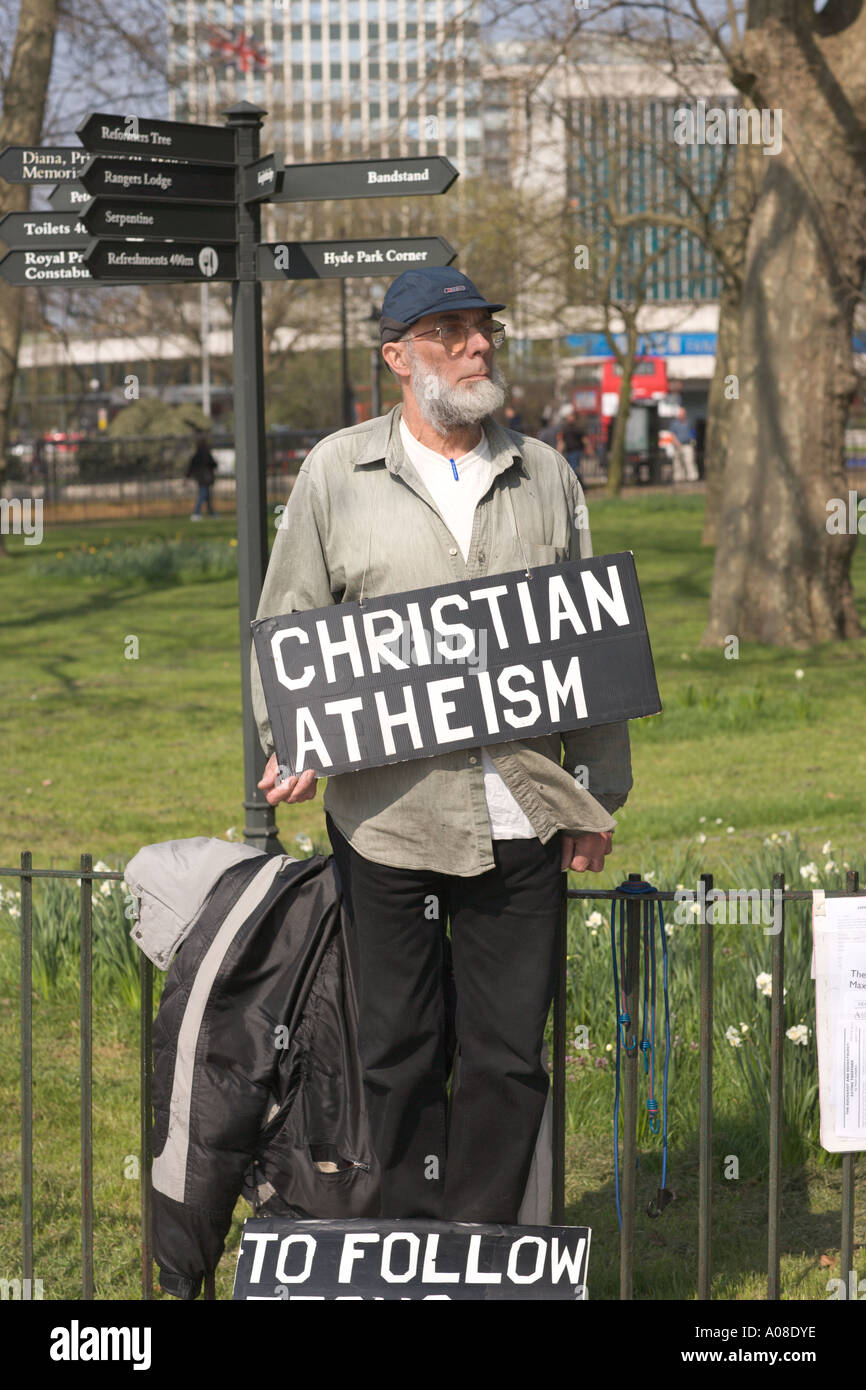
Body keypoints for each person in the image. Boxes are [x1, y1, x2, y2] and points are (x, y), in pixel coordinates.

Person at [249, 266, 632, 1224]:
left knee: (510, 1055)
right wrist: (292, 735)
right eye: (452, 331)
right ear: (398, 355)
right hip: (388, 820)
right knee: (397, 1050)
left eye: (483, 328)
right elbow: (289, 618)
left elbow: (587, 648)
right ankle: (407, 1239)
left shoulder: (546, 473)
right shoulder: (338, 472)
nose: (478, 345)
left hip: (523, 815)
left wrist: (594, 799)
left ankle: (482, 1243)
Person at [186, 434, 217, 518]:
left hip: (201, 477)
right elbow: (213, 464)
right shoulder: (205, 453)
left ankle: (211, 513)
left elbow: (191, 466)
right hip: (204, 478)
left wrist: (187, 475)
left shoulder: (198, 454)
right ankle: (196, 513)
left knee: (207, 496)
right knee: (203, 494)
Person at [670, 407, 699, 483]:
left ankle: (692, 477)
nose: (681, 415)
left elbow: (692, 432)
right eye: (680, 414)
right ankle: (679, 478)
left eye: (682, 414)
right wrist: (676, 442)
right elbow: (672, 434)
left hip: (687, 445)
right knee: (678, 462)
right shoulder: (674, 424)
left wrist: (693, 439)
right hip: (678, 445)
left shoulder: (689, 422)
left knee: (689, 461)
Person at [559, 410, 585, 484]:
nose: (569, 418)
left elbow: (584, 439)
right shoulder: (565, 428)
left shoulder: (578, 428)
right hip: (568, 451)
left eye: (571, 416)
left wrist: (589, 449)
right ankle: (580, 484)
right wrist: (559, 451)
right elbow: (562, 441)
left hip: (576, 451)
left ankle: (579, 485)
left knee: (573, 469)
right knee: (570, 469)